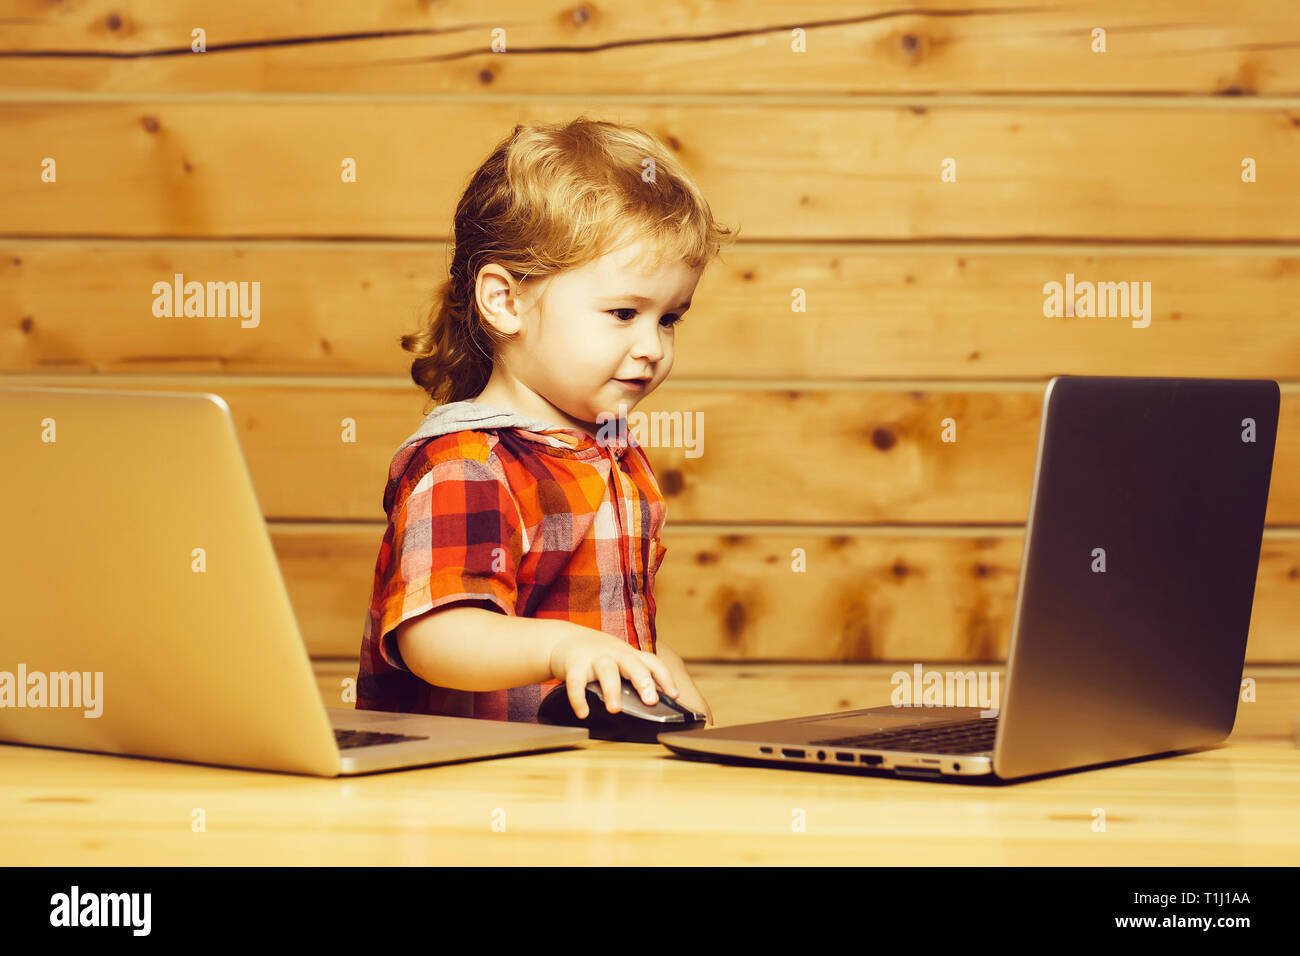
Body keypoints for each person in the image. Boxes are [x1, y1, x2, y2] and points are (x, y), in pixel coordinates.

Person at [355, 116, 737, 726]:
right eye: (623, 313)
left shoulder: (608, 453)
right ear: (505, 301)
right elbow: (436, 635)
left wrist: (663, 671)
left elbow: (609, 626)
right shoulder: (470, 463)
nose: (652, 348)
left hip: (579, 771)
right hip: (483, 773)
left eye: (669, 319)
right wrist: (564, 649)